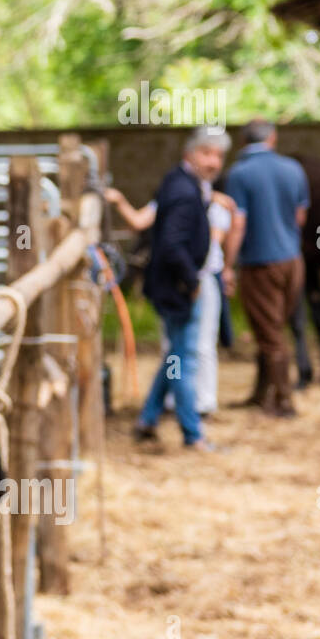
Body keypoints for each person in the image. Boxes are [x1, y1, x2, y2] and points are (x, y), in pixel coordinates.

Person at [105, 174, 237, 416]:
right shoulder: (174, 198)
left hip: (203, 277)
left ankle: (203, 401)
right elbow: (139, 221)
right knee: (173, 346)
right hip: (175, 279)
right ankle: (172, 401)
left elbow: (215, 239)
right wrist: (120, 200)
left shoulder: (212, 205)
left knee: (202, 345)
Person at [129, 127, 228, 451]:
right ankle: (192, 433)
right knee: (183, 360)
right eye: (207, 153)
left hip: (169, 285)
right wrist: (193, 279)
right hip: (177, 288)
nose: (214, 162)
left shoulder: (180, 181)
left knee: (175, 353)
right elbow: (172, 244)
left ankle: (147, 418)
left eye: (219, 156)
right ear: (190, 154)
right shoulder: (185, 192)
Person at [222, 119, 310, 417]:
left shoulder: (239, 174)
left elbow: (238, 224)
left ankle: (284, 401)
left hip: (260, 263)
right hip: (292, 261)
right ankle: (261, 394)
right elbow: (300, 216)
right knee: (272, 329)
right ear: (273, 137)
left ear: (243, 141)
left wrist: (228, 264)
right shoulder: (293, 169)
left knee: (270, 334)